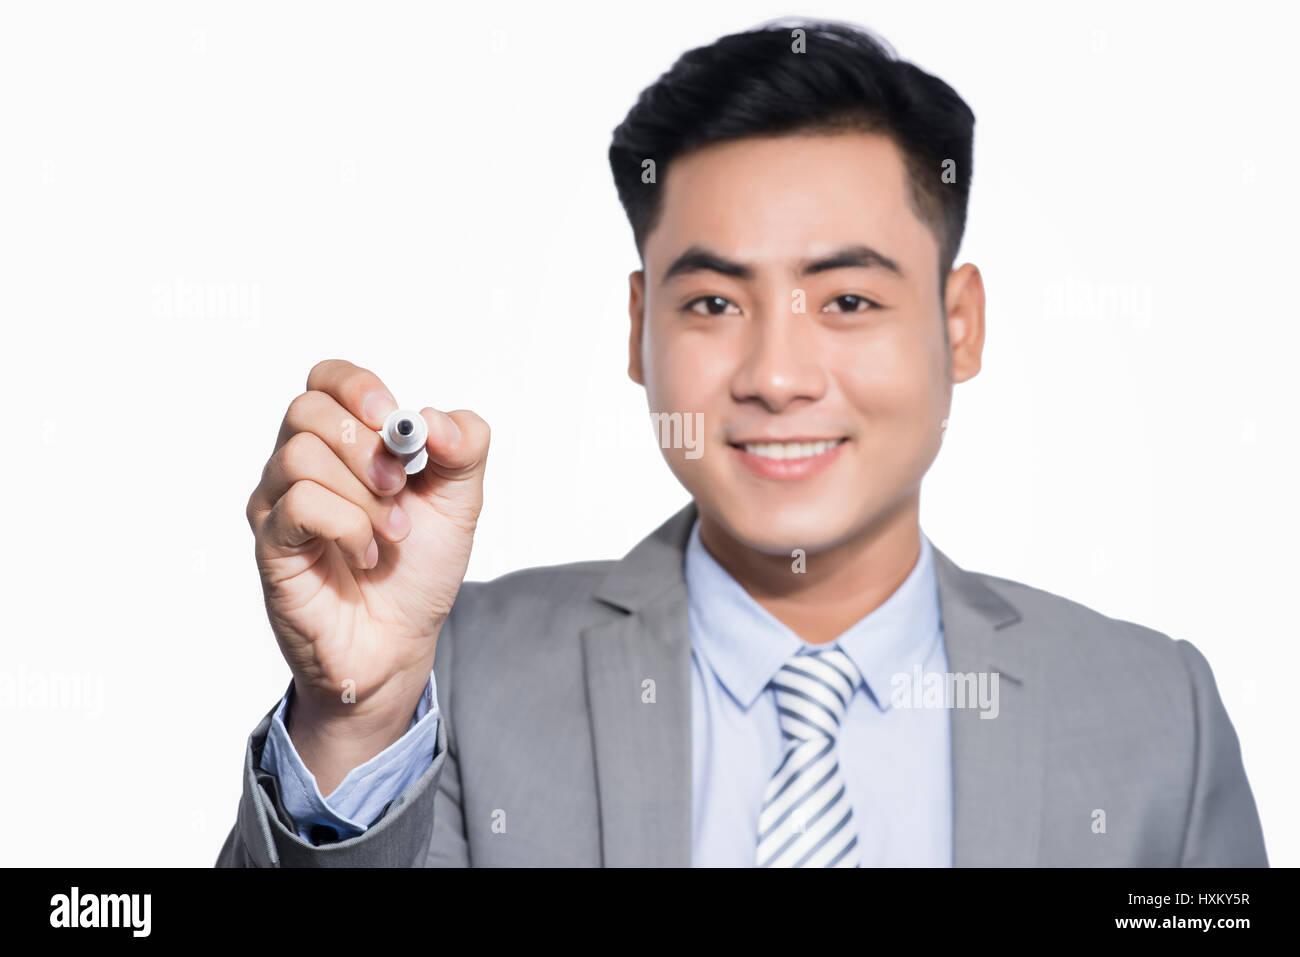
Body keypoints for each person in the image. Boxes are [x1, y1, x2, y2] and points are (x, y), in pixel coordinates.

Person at [218, 19, 1267, 867]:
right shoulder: (457, 679)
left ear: (959, 326)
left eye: (848, 298)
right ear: (639, 331)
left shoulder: (1151, 716)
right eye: (715, 302)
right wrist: (351, 720)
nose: (775, 375)